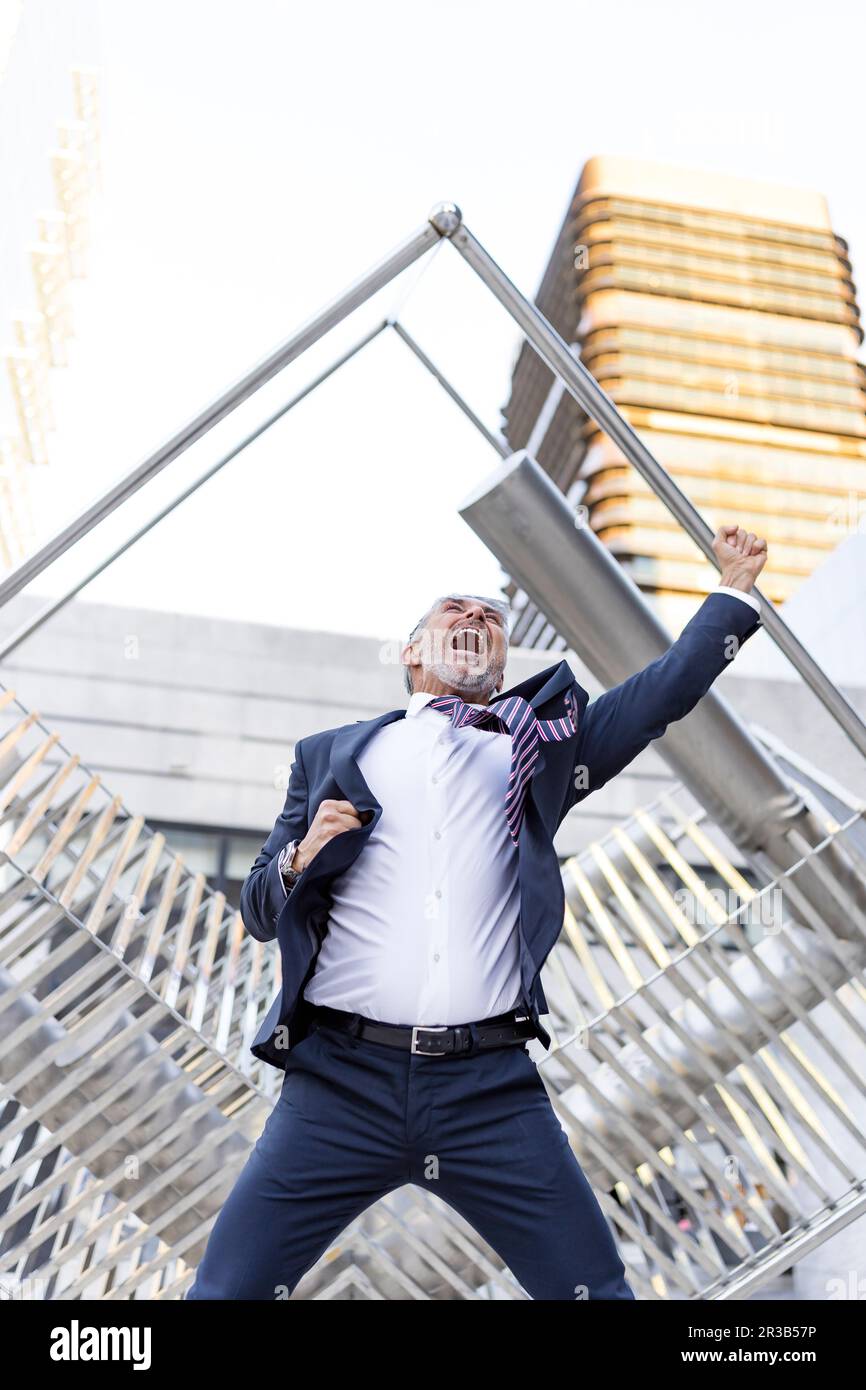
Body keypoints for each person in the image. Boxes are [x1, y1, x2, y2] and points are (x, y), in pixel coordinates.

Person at [186, 524, 767, 1300]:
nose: (478, 618)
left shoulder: (540, 752)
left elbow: (662, 692)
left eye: (492, 617)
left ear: (501, 664)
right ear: (411, 653)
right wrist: (297, 858)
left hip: (488, 1093)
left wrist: (732, 588)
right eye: (455, 610)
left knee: (594, 1290)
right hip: (337, 1088)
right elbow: (261, 908)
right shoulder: (330, 755)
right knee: (225, 1293)